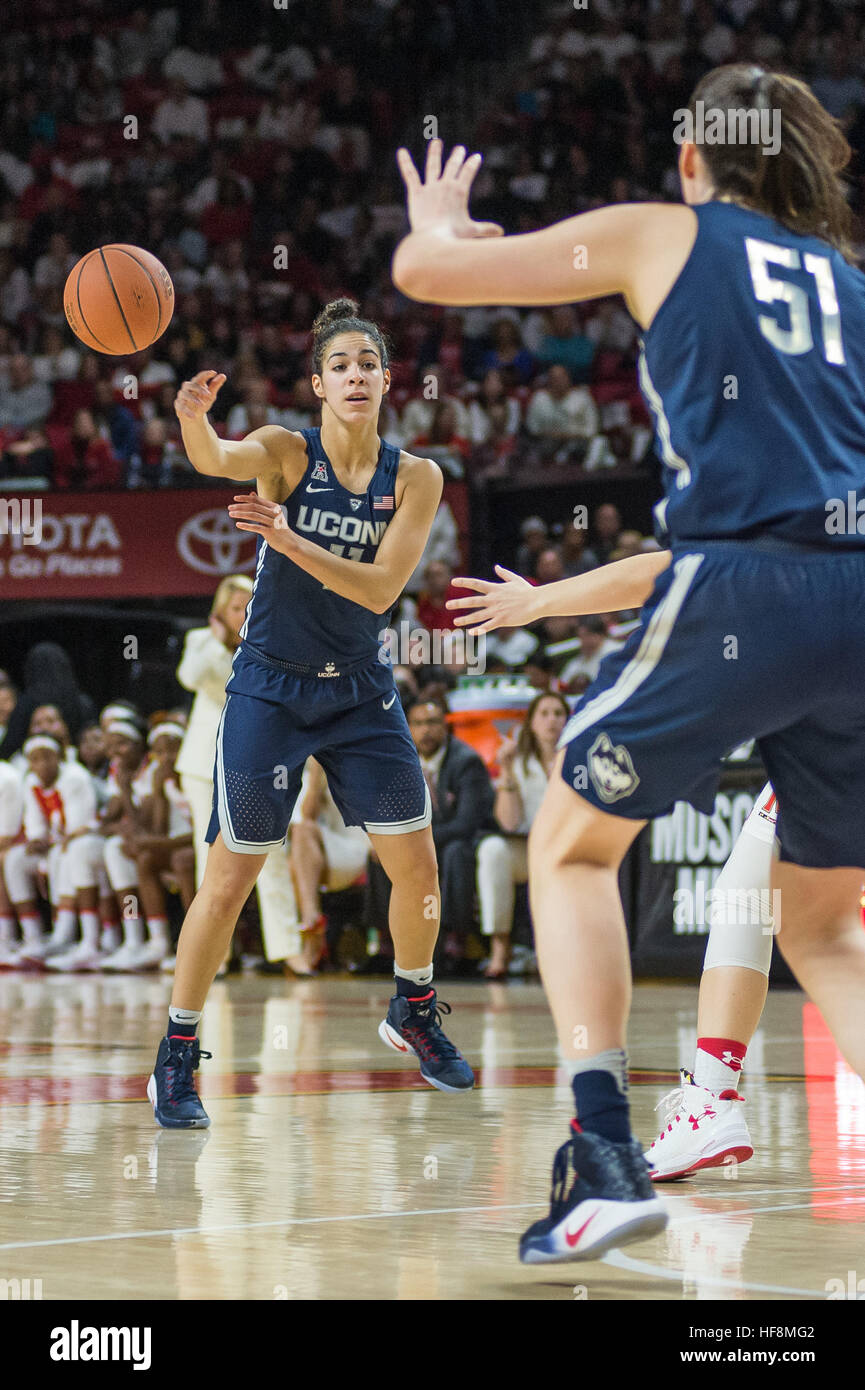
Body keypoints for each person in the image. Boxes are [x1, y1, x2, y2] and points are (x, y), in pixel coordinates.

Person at [396, 66, 865, 1263]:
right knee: (821, 929)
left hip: (745, 582)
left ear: (696, 160)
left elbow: (427, 279)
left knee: (569, 843)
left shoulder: (665, 232)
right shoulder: (852, 286)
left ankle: (603, 1155)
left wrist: (442, 224)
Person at [150, 297, 475, 1128]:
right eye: (340, 365)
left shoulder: (417, 477)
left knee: (419, 869)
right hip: (271, 687)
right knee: (229, 879)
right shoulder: (286, 452)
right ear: (319, 385)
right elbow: (220, 456)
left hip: (359, 689)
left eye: (368, 362)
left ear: (387, 379)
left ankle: (411, 1006)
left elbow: (378, 591)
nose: (356, 374)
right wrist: (192, 419)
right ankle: (177, 1056)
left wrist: (288, 539)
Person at [174, 574, 304, 975]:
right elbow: (190, 678)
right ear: (220, 611)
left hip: (254, 758)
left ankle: (288, 949)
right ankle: (217, 953)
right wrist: (215, 641)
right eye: (234, 607)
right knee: (206, 857)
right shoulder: (200, 640)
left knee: (269, 853)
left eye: (248, 603)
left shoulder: (271, 640)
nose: (242, 612)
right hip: (201, 764)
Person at [365, 696, 496, 973]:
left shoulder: (466, 761)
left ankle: (454, 940)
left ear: (446, 727)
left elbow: (466, 824)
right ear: (407, 727)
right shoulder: (398, 760)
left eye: (434, 722)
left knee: (454, 852)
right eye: (419, 723)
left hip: (462, 839)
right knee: (379, 853)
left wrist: (413, 843)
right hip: (420, 840)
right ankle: (385, 941)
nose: (426, 730)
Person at [477, 692, 569, 978]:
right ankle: (500, 947)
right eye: (544, 713)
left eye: (558, 713)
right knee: (492, 850)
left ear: (568, 720)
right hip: (526, 847)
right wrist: (506, 772)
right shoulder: (517, 762)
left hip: (565, 850)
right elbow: (508, 822)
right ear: (530, 722)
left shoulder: (579, 761)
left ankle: (551, 952)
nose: (551, 720)